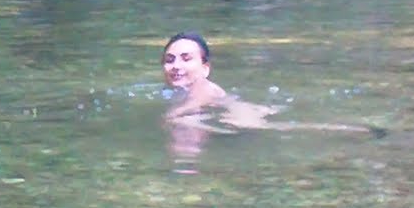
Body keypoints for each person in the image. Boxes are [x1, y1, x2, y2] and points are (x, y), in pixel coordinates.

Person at [159, 30, 374, 158]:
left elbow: (202, 99)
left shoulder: (202, 86)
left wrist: (172, 115)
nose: (176, 66)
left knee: (284, 129)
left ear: (205, 67)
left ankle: (355, 130)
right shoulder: (182, 90)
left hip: (238, 113)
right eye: (170, 60)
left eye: (186, 59)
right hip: (236, 110)